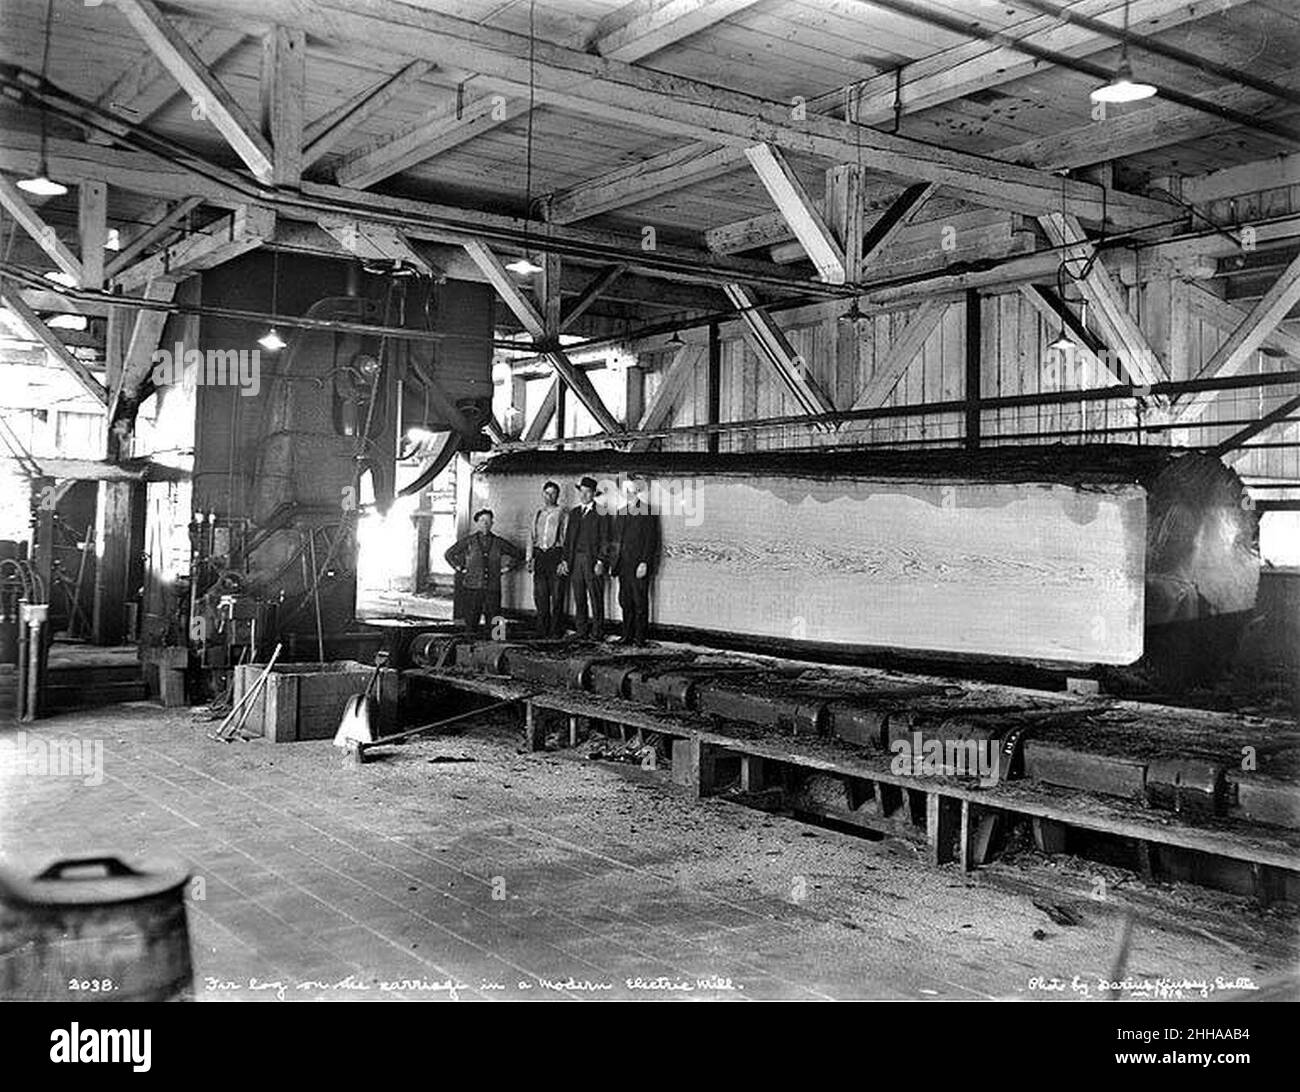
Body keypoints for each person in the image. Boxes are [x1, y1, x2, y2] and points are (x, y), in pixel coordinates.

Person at [444, 509, 523, 636]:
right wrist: (460, 568)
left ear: (492, 523)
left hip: (493, 588)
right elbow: (449, 554)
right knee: (471, 621)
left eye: (488, 521)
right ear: (477, 523)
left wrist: (506, 568)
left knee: (495, 622)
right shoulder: (469, 541)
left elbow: (518, 554)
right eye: (482, 521)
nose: (485, 523)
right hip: (472, 587)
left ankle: (496, 647)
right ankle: (469, 648)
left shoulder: (498, 542)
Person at [611, 474, 660, 645]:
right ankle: (627, 636)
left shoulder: (648, 511)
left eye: (630, 488)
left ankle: (640, 638)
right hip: (623, 565)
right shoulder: (621, 511)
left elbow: (651, 540)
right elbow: (617, 541)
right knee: (625, 601)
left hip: (638, 565)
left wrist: (644, 562)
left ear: (637, 489)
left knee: (640, 602)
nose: (627, 492)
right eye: (624, 489)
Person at [559, 476, 609, 641]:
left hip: (592, 561)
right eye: (582, 491)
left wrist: (601, 561)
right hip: (575, 561)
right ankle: (581, 631)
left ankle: (597, 633)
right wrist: (565, 560)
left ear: (594, 494)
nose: (584, 495)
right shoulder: (574, 513)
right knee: (579, 597)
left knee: (595, 597)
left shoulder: (602, 512)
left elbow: (605, 539)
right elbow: (567, 540)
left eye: (588, 492)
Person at [526, 481, 568, 638]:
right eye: (547, 493)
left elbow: (566, 538)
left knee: (557, 596)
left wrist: (564, 560)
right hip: (540, 556)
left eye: (553, 493)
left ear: (558, 495)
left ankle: (556, 631)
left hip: (555, 555)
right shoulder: (538, 513)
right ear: (542, 494)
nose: (549, 496)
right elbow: (530, 536)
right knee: (540, 596)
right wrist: (529, 558)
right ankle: (542, 631)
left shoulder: (563, 513)